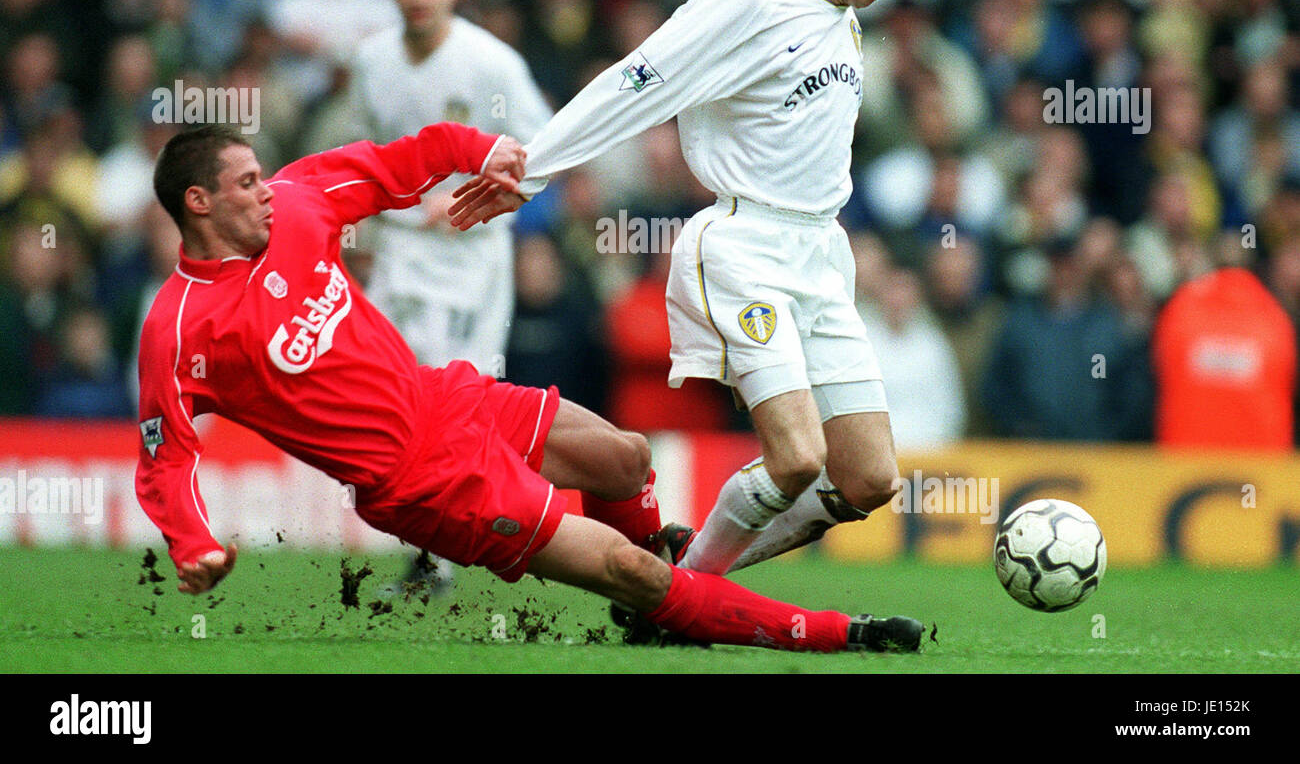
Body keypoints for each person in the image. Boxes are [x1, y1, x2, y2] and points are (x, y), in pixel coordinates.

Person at [135, 122, 923, 654]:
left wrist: (487, 148)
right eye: (245, 181)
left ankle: (663, 607)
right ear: (198, 202)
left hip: (448, 397)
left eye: (263, 173)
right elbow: (164, 456)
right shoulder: (180, 327)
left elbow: (401, 158)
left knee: (624, 456)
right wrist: (193, 541)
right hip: (424, 481)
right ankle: (837, 633)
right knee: (640, 573)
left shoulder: (299, 207)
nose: (266, 187)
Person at [450, 0, 931, 578]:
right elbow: (634, 82)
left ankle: (686, 578)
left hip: (822, 256)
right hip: (746, 245)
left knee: (869, 480)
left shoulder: (846, 19)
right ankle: (672, 598)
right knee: (797, 459)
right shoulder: (743, 6)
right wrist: (536, 166)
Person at [348, 0, 552, 592]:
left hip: (472, 258)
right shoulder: (371, 60)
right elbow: (361, 147)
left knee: (457, 403)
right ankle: (433, 549)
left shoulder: (491, 63)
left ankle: (461, 546)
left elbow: (543, 149)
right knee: (393, 402)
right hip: (402, 255)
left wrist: (482, 196)